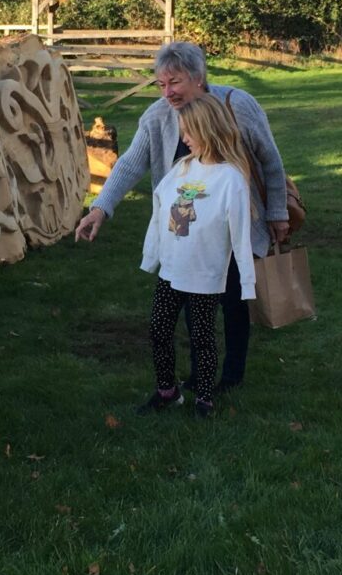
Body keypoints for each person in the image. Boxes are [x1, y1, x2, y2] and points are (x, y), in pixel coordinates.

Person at [75, 42, 288, 394]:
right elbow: (129, 163)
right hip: (188, 232)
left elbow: (271, 162)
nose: (167, 92)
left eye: (174, 82)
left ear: (198, 77)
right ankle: (200, 375)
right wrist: (100, 207)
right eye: (160, 84)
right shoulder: (158, 116)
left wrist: (277, 213)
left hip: (234, 223)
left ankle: (232, 374)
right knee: (192, 301)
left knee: (233, 299)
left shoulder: (239, 105)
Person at [138, 94, 257, 416]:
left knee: (202, 337)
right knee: (159, 329)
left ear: (208, 129)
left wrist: (247, 283)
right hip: (172, 270)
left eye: (188, 132)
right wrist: (154, 257)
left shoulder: (231, 179)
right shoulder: (182, 168)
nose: (184, 139)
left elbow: (242, 236)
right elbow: (160, 209)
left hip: (205, 274)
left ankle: (204, 398)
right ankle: (167, 391)